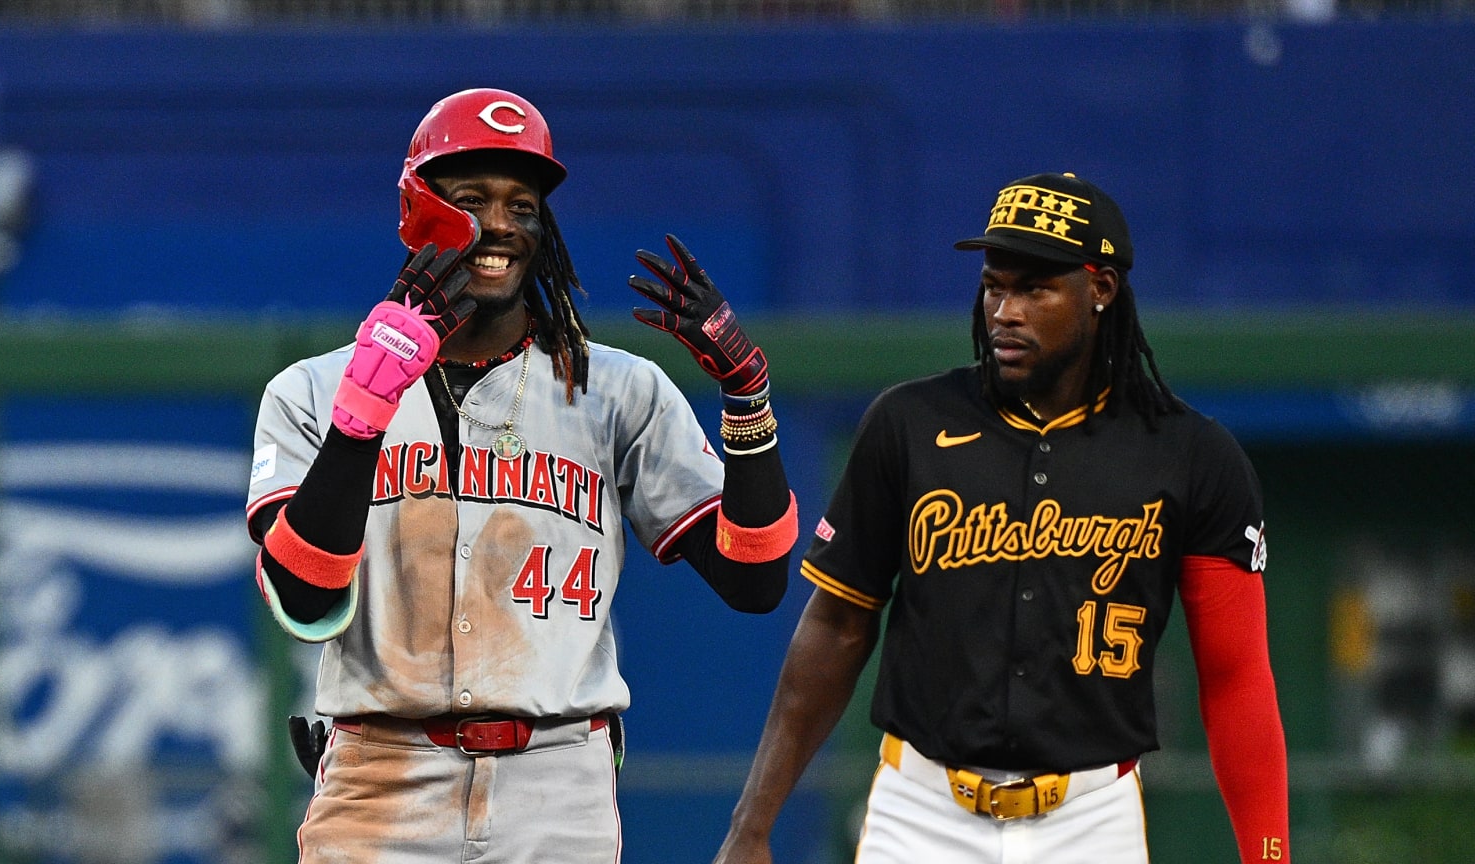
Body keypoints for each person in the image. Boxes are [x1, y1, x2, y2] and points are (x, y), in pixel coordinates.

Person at [244, 87, 798, 863]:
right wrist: (362, 412)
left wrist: (747, 400)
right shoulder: (311, 390)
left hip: (556, 779)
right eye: (471, 199)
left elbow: (756, 580)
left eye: (523, 205)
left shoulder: (616, 389)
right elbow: (303, 598)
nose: (500, 224)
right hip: (380, 778)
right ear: (417, 209)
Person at [712, 172, 1289, 863]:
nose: (1004, 310)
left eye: (1034, 289)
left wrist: (1270, 854)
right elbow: (836, 626)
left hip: (1090, 819)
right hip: (921, 810)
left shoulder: (1191, 455)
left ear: (1100, 288)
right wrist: (752, 825)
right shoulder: (911, 424)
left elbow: (1236, 677)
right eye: (995, 285)